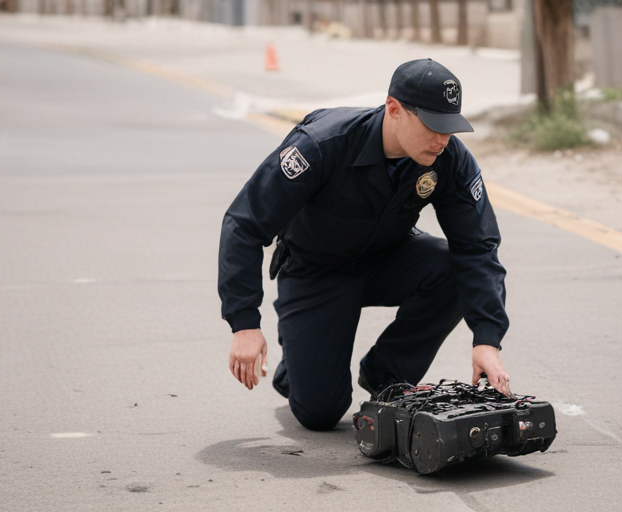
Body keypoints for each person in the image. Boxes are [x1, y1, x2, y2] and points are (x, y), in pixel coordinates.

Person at [218, 58, 511, 431]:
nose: (442, 140)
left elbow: (478, 246)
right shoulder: (322, 144)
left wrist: (487, 338)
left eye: (450, 128)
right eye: (433, 126)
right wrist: (243, 323)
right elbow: (243, 225)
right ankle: (298, 357)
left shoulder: (447, 157)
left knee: (450, 266)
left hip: (387, 259)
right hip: (317, 272)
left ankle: (385, 375)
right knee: (321, 413)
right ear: (394, 110)